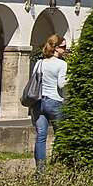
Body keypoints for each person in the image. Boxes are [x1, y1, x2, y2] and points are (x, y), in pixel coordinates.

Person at [30, 34, 68, 170]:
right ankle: (58, 165)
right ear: (56, 48)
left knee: (40, 137)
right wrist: (72, 76)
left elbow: (34, 80)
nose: (66, 49)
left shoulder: (39, 63)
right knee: (61, 135)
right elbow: (62, 84)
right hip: (54, 101)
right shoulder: (62, 64)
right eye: (64, 47)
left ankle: (40, 171)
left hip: (39, 102)